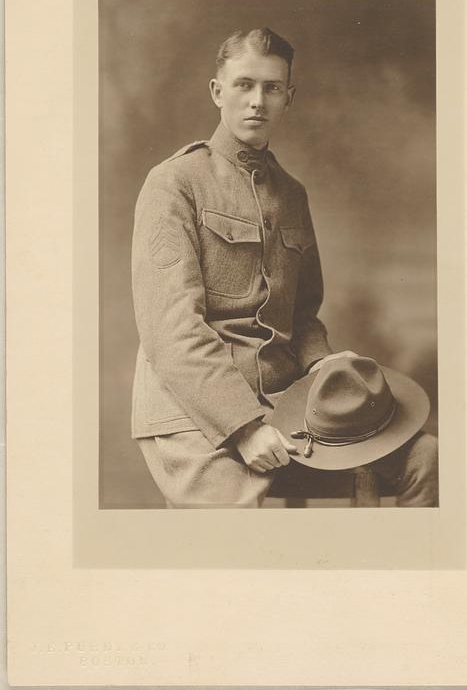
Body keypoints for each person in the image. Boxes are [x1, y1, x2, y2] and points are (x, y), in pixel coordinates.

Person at [130, 27, 438, 507]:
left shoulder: (291, 194)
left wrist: (323, 363)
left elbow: (302, 315)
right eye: (244, 85)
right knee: (241, 547)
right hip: (196, 418)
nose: (257, 101)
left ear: (288, 97)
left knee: (425, 459)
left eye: (272, 88)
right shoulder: (174, 183)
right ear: (217, 92)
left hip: (284, 411)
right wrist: (243, 426)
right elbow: (170, 332)